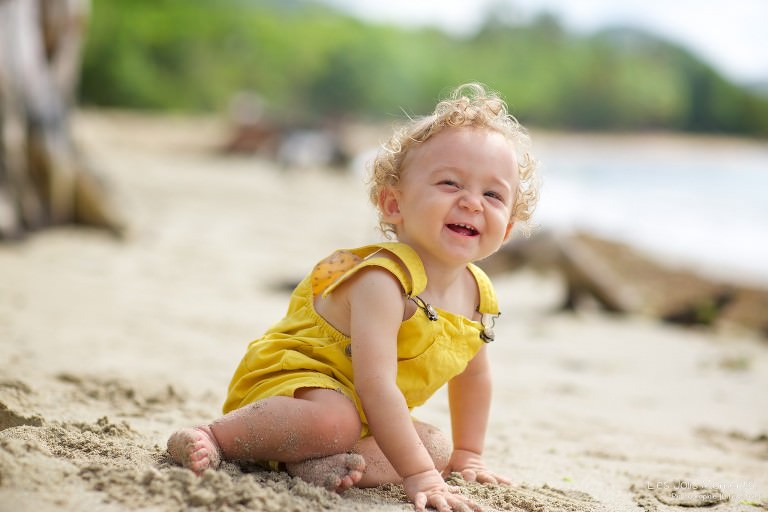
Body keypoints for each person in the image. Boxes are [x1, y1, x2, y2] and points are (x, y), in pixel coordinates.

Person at [167, 82, 539, 512]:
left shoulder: (478, 293)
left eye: (493, 194)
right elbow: (376, 384)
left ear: (508, 228)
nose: (472, 203)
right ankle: (213, 436)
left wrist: (468, 454)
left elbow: (473, 377)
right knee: (339, 421)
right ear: (392, 203)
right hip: (294, 389)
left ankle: (310, 463)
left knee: (434, 445)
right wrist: (419, 477)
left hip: (360, 414)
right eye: (450, 183)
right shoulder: (384, 280)